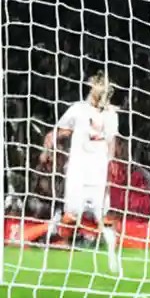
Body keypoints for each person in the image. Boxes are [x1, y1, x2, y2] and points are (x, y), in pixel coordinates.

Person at [42, 72, 122, 275]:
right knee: (79, 213)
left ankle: (104, 252)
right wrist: (50, 142)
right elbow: (64, 131)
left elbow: (111, 141)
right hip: (85, 169)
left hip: (91, 169)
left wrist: (111, 164)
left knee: (92, 214)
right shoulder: (81, 110)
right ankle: (69, 246)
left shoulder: (107, 114)